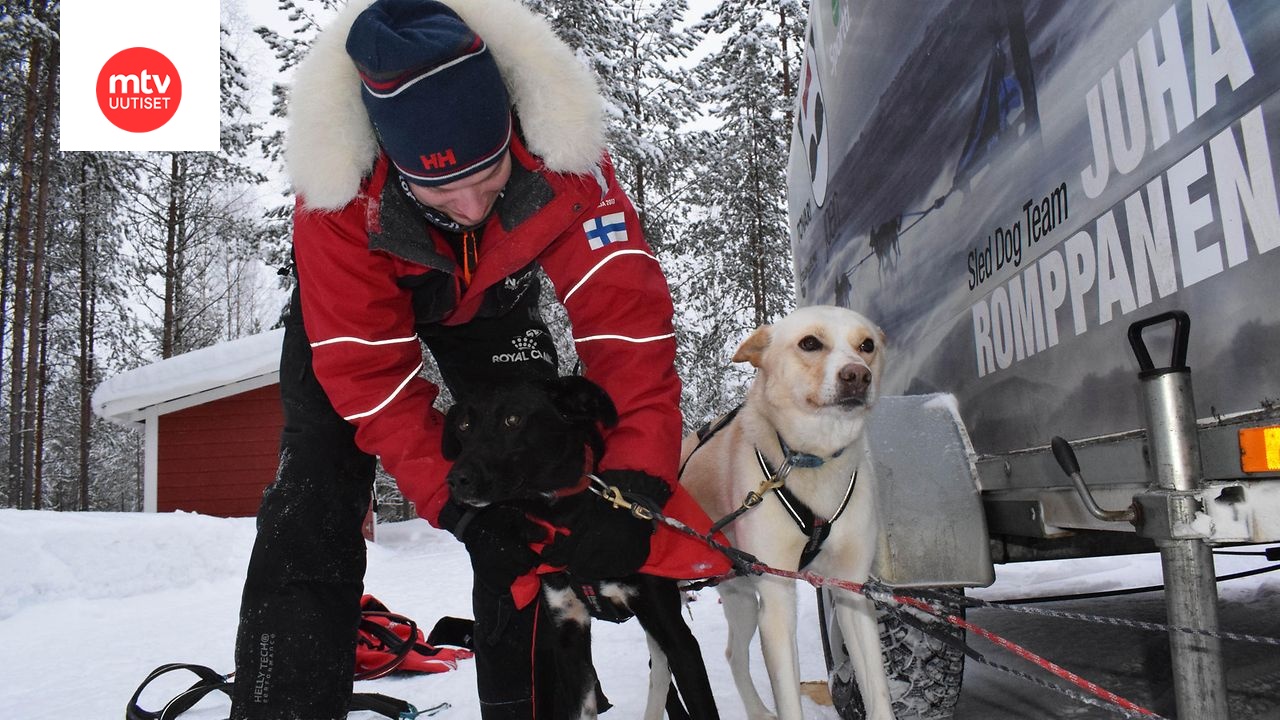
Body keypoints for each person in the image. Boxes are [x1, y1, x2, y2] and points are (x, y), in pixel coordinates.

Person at [229, 1, 729, 718]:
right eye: (440, 188)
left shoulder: (565, 157)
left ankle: (532, 705)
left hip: (491, 299)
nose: (468, 206)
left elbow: (628, 333)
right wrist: (459, 511)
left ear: (513, 135)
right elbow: (371, 381)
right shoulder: (337, 201)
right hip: (353, 325)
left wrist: (635, 479)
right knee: (314, 492)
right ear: (392, 160)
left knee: (531, 468)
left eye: (489, 178)